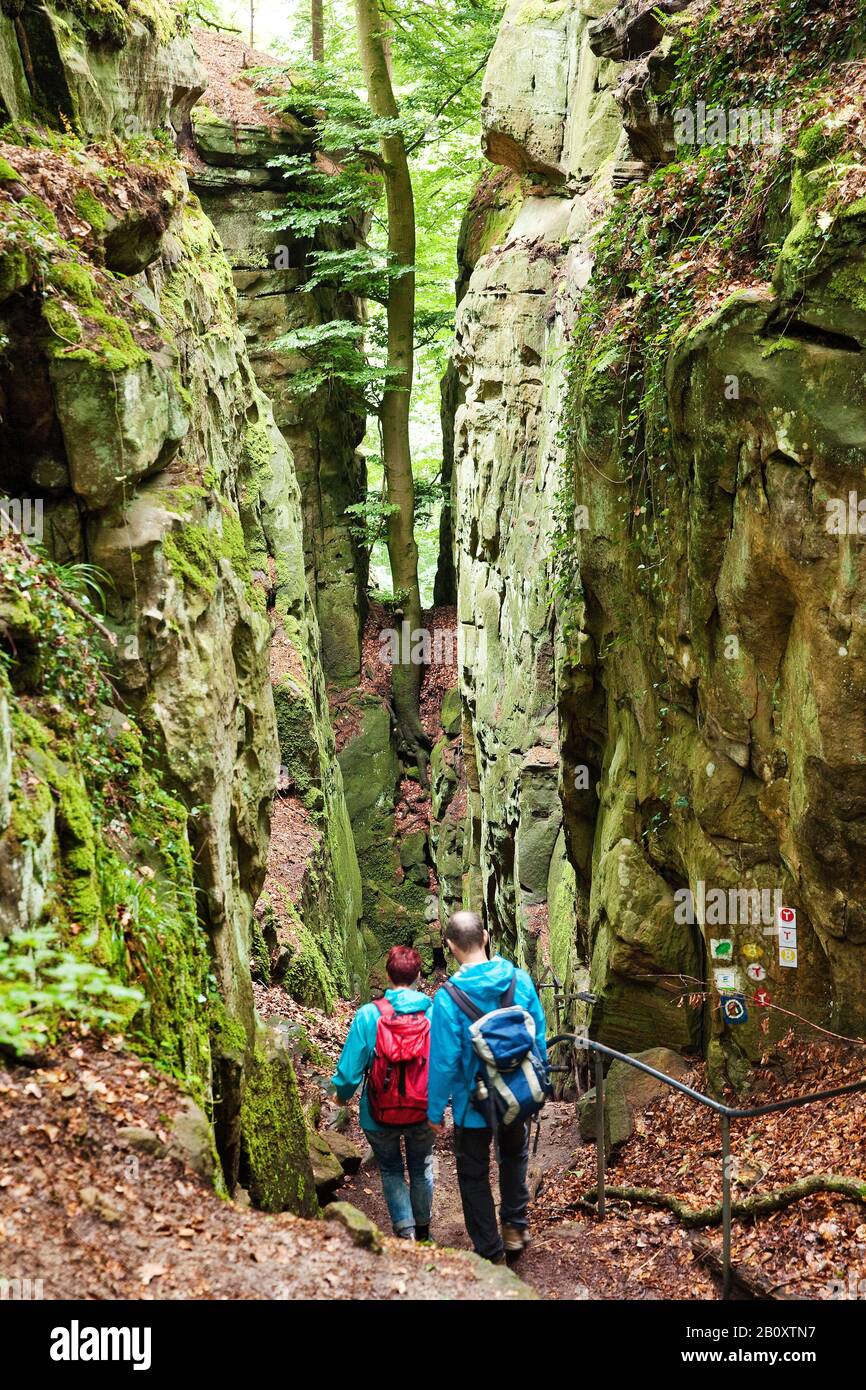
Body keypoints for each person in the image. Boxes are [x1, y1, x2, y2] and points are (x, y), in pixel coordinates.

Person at [428, 910, 548, 1264]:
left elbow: (444, 1061)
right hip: (516, 1096)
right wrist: (538, 1083)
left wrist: (434, 1110)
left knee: (473, 1175)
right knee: (514, 1157)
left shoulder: (448, 1000)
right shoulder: (519, 981)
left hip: (473, 1106)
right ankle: (514, 1228)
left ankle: (490, 1252)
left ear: (450, 946)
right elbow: (537, 1035)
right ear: (485, 937)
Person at [331, 945, 434, 1241]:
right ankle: (424, 1232)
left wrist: (341, 1095)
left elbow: (351, 1069)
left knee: (390, 1170)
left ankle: (406, 1233)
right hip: (423, 1109)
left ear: (388, 975)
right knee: (421, 1166)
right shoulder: (433, 1012)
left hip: (378, 1112)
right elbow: (446, 1059)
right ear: (418, 975)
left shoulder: (368, 1015)